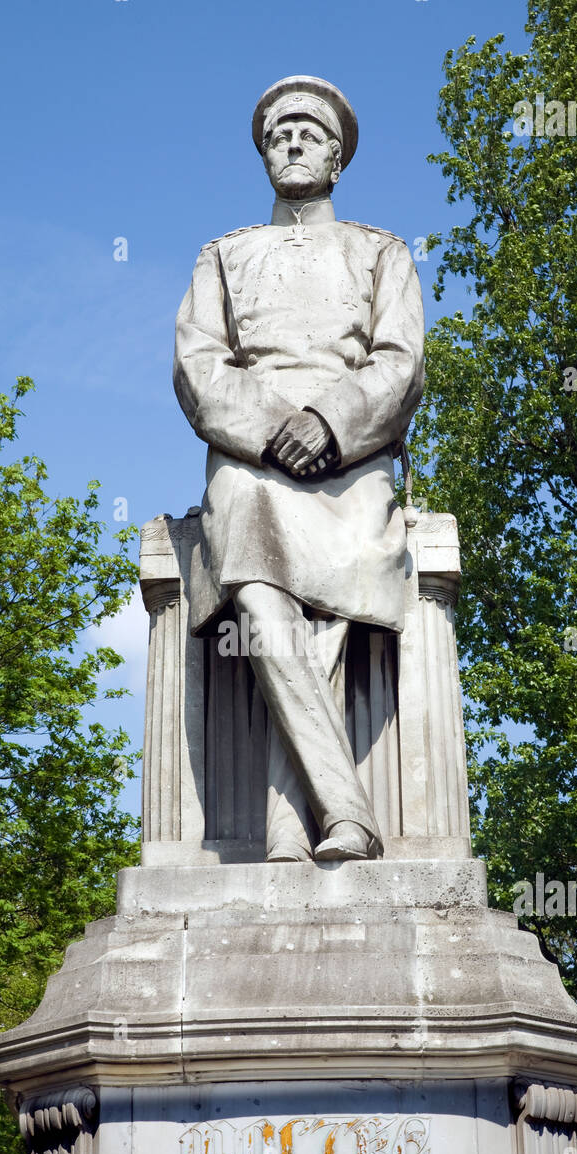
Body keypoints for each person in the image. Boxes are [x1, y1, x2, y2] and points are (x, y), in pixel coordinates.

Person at [173, 75, 425, 862]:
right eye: (278, 133)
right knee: (253, 560)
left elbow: (401, 361)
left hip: (351, 460)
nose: (291, 142)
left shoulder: (381, 252)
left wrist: (330, 425)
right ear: (263, 154)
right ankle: (345, 806)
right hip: (252, 459)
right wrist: (276, 428)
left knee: (338, 575)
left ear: (337, 158)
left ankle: (293, 823)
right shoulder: (224, 255)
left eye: (308, 133)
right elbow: (198, 366)